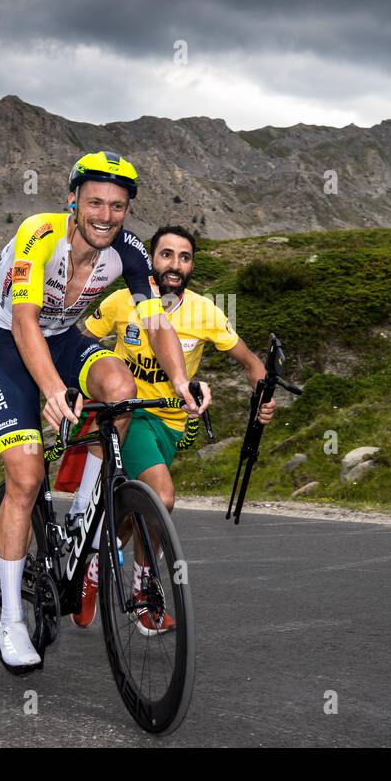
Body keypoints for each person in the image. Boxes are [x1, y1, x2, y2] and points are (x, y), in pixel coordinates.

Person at [0, 152, 209, 667]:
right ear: (73, 201)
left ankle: (88, 507)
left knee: (120, 387)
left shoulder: (127, 251)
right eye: (95, 203)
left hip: (62, 341)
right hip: (10, 347)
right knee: (26, 477)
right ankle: (12, 618)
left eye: (118, 206)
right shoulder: (37, 235)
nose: (105, 215)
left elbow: (156, 324)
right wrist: (54, 391)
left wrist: (180, 379)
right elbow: (22, 321)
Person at [64, 224, 275, 631]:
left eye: (184, 257)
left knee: (132, 513)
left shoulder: (205, 312)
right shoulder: (121, 302)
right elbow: (73, 342)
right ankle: (144, 597)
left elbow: (251, 364)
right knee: (161, 497)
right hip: (127, 415)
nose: (174, 265)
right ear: (150, 261)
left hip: (171, 424)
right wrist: (66, 385)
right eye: (165, 255)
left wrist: (263, 400)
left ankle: (93, 565)